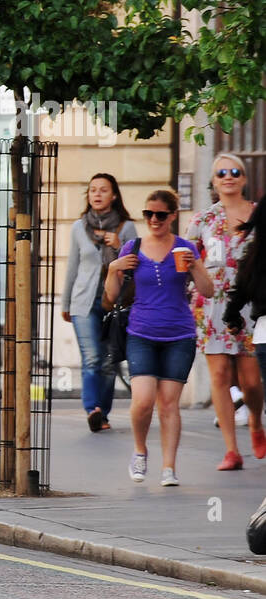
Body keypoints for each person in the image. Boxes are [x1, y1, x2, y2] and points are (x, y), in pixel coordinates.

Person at [104, 189, 215, 486]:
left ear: (172, 216)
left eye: (161, 215)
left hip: (179, 334)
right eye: (148, 214)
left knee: (168, 404)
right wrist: (113, 268)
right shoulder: (133, 246)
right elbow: (112, 295)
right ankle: (140, 451)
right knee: (142, 402)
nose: (154, 219)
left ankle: (169, 468)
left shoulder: (184, 247)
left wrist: (196, 266)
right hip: (141, 332)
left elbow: (208, 291)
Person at [185, 152, 265, 470]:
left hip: (249, 303)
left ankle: (256, 422)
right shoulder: (202, 219)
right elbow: (186, 254)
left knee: (252, 381)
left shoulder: (258, 215)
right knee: (219, 375)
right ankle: (231, 450)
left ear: (244, 179)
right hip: (211, 303)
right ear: (214, 182)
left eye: (234, 172)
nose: (228, 177)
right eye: (221, 174)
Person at [61, 173, 138, 432]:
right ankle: (92, 408)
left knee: (108, 361)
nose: (97, 194)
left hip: (113, 303)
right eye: (93, 190)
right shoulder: (78, 227)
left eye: (103, 190)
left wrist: (120, 246)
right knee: (92, 358)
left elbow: (136, 265)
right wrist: (65, 303)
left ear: (113, 195)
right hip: (84, 303)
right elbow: (72, 266)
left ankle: (102, 414)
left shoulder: (126, 227)